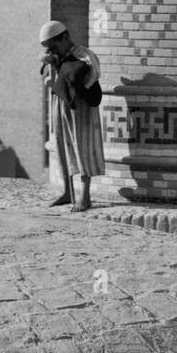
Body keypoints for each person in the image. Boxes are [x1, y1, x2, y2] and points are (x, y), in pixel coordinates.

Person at [38, 19, 105, 212]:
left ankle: (85, 196)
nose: (51, 51)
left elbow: (89, 79)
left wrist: (65, 71)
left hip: (80, 109)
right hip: (59, 105)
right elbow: (51, 83)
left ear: (65, 37)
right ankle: (68, 192)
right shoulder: (56, 58)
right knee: (61, 145)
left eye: (53, 46)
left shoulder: (84, 55)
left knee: (81, 145)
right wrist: (53, 66)